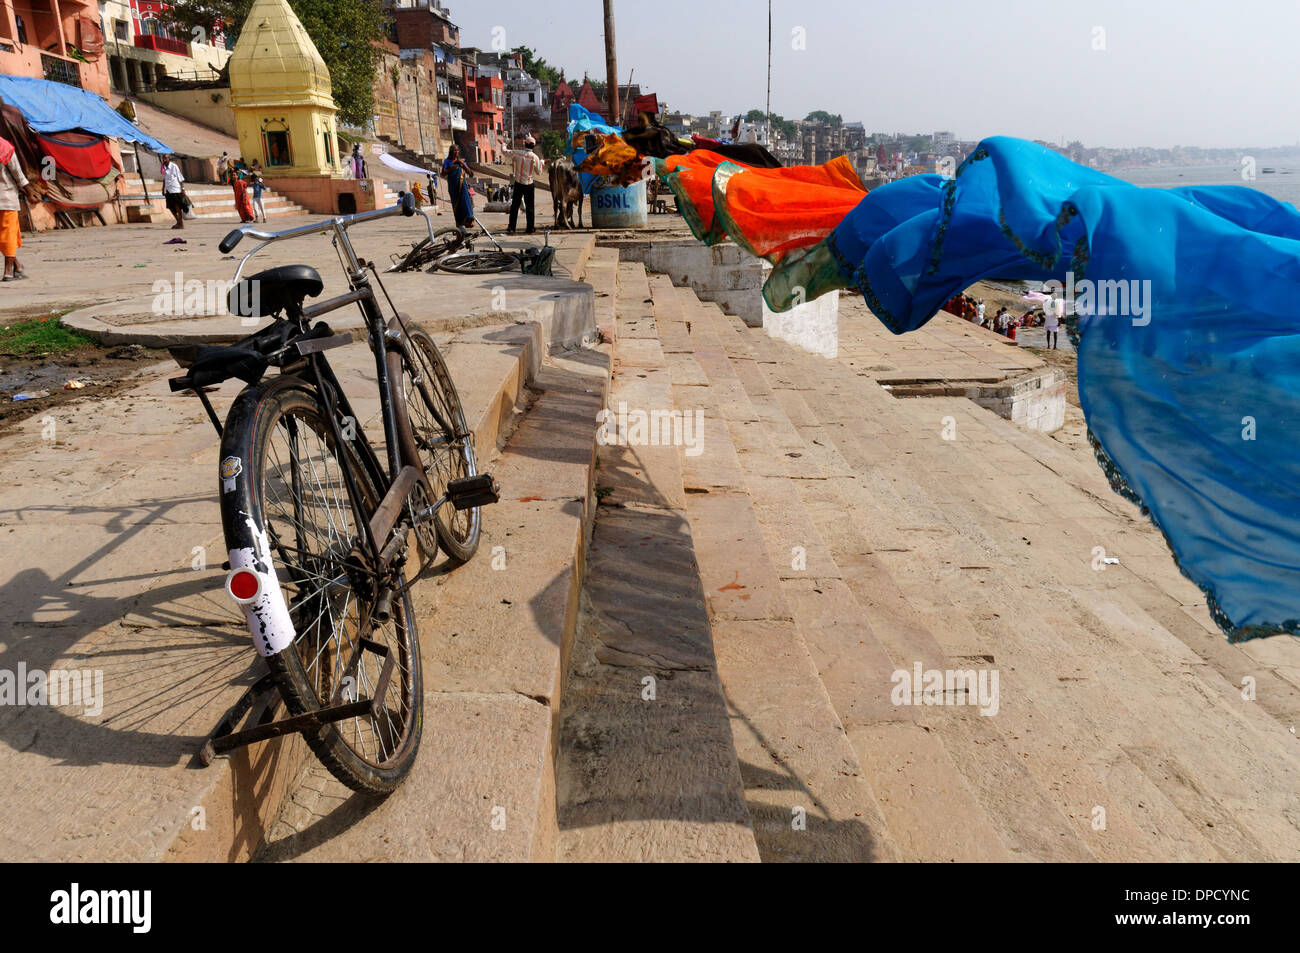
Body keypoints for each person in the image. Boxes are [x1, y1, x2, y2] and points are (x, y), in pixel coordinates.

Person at [0, 133, 39, 280]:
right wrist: (29, 193)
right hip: (6, 198)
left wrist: (29, 193)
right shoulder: (5, 147)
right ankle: (15, 267)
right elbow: (19, 175)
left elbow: (18, 175)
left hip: (6, 199)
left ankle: (10, 269)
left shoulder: (5, 147)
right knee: (5, 236)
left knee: (7, 235)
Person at [442, 143, 475, 229]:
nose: (456, 152)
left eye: (457, 150)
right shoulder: (447, 161)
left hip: (462, 186)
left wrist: (462, 164)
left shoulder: (461, 161)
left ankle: (469, 219)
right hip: (453, 187)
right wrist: (451, 169)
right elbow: (443, 173)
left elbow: (470, 173)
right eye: (454, 151)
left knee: (465, 201)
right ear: (451, 152)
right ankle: (460, 225)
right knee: (456, 205)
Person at [160, 154, 186, 230]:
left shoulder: (174, 166)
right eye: (163, 158)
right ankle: (178, 222)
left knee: (177, 206)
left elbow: (180, 177)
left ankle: (181, 223)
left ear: (169, 159)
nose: (164, 160)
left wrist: (183, 189)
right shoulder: (164, 167)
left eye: (166, 158)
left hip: (176, 189)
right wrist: (163, 189)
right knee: (170, 207)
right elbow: (164, 179)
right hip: (168, 190)